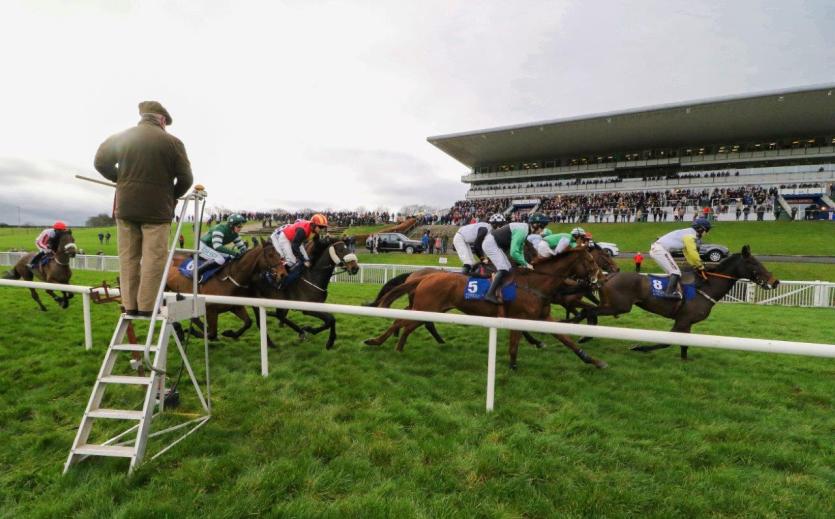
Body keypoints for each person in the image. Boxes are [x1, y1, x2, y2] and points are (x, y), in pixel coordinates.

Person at [94, 100, 193, 317]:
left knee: (128, 258)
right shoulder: (173, 143)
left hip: (126, 207)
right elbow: (186, 179)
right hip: (157, 212)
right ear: (162, 120)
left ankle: (130, 305)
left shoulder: (122, 136)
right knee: (153, 259)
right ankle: (147, 307)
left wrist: (121, 180)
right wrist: (172, 196)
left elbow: (100, 162)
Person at [481, 213, 549, 304]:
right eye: (543, 227)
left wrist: (523, 263)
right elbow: (513, 252)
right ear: (536, 225)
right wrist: (525, 263)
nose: (542, 231)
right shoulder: (522, 230)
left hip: (494, 243)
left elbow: (519, 250)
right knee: (504, 269)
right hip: (491, 244)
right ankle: (489, 294)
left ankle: (499, 289)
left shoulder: (525, 230)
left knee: (507, 267)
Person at [649, 217, 710, 299]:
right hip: (660, 250)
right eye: (707, 230)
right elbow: (693, 252)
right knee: (675, 272)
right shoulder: (690, 236)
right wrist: (700, 265)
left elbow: (687, 253)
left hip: (658, 249)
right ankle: (668, 293)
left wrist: (694, 265)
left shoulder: (687, 233)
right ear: (701, 229)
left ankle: (669, 290)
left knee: (674, 273)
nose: (707, 233)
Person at [270, 213, 328, 285]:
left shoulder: (315, 231)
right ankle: (279, 278)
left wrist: (327, 244)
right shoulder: (302, 231)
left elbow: (318, 244)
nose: (321, 229)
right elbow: (294, 247)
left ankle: (301, 277)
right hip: (285, 237)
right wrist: (303, 260)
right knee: (292, 261)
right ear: (313, 225)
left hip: (296, 239)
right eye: (320, 227)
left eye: (323, 227)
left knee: (307, 259)